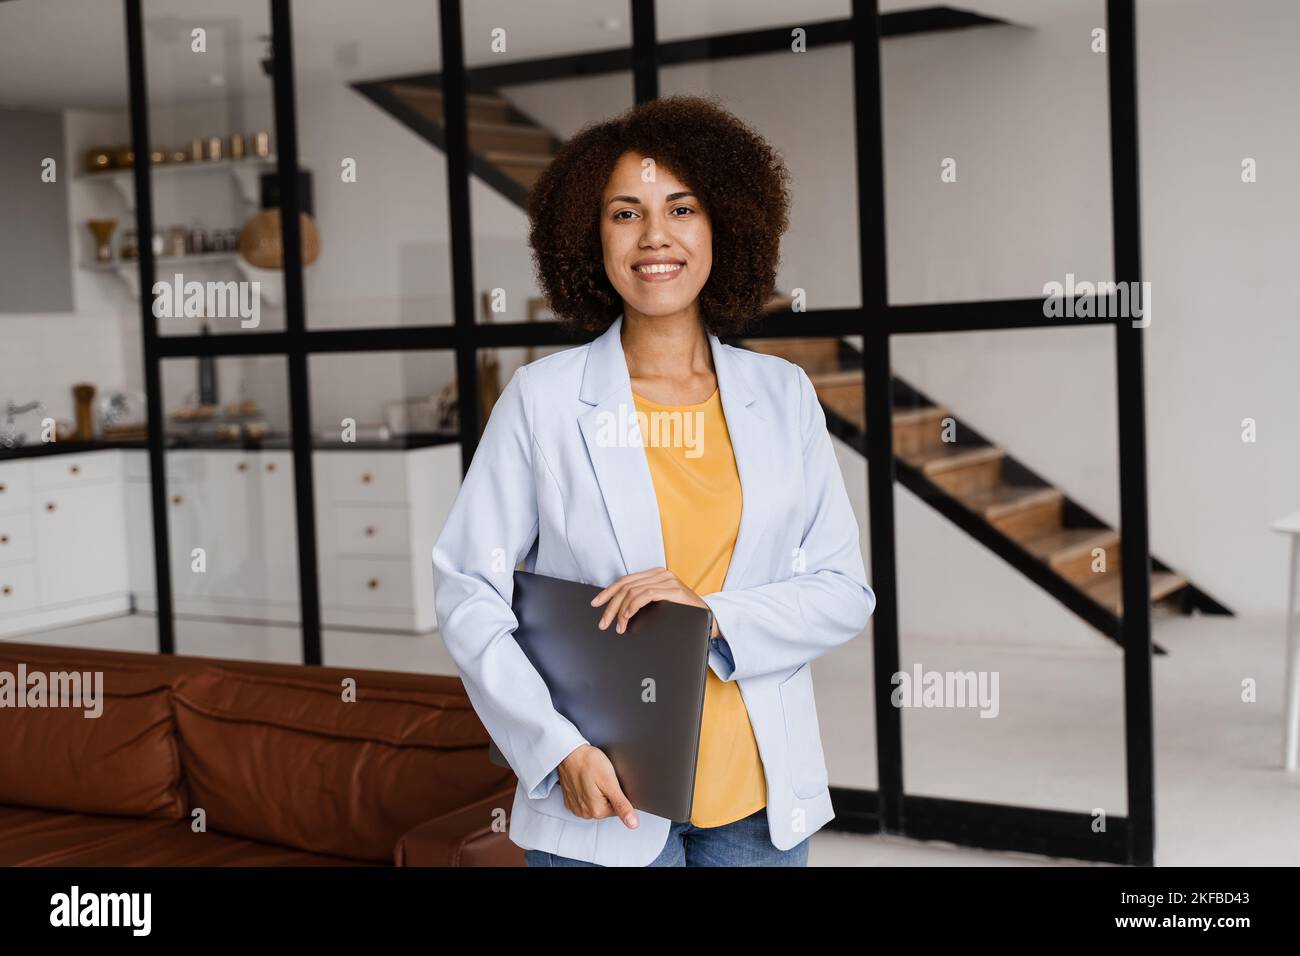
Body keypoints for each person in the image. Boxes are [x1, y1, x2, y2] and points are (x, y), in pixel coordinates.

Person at [432, 94, 875, 867]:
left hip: (758, 798)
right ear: (590, 236)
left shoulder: (782, 395)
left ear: (724, 226)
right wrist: (554, 749)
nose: (656, 237)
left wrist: (711, 614)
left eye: (682, 208)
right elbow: (468, 590)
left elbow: (844, 590)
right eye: (625, 214)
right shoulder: (543, 400)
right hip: (605, 793)